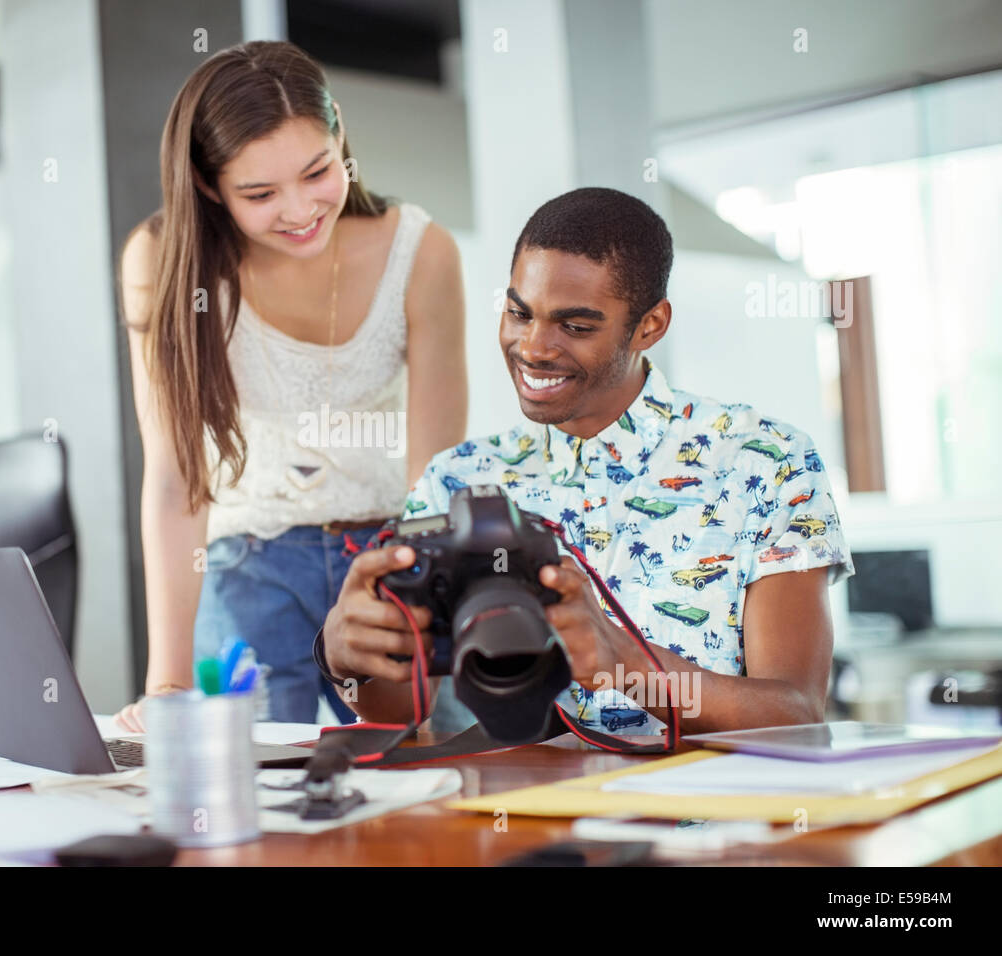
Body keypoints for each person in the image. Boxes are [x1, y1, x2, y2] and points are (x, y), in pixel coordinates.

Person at [316, 187, 853, 738]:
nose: (534, 347)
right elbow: (402, 709)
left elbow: (797, 713)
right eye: (518, 312)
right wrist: (343, 654)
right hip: (511, 819)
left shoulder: (767, 461)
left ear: (650, 326)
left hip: (704, 820)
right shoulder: (458, 479)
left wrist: (625, 662)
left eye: (575, 326)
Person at [115, 40, 466, 730]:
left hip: (385, 560)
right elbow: (175, 476)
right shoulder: (161, 261)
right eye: (260, 193)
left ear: (340, 136)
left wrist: (423, 619)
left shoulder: (420, 252)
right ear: (210, 185)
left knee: (427, 777)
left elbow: (435, 480)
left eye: (317, 172)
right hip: (246, 565)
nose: (301, 209)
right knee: (246, 784)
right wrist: (167, 680)